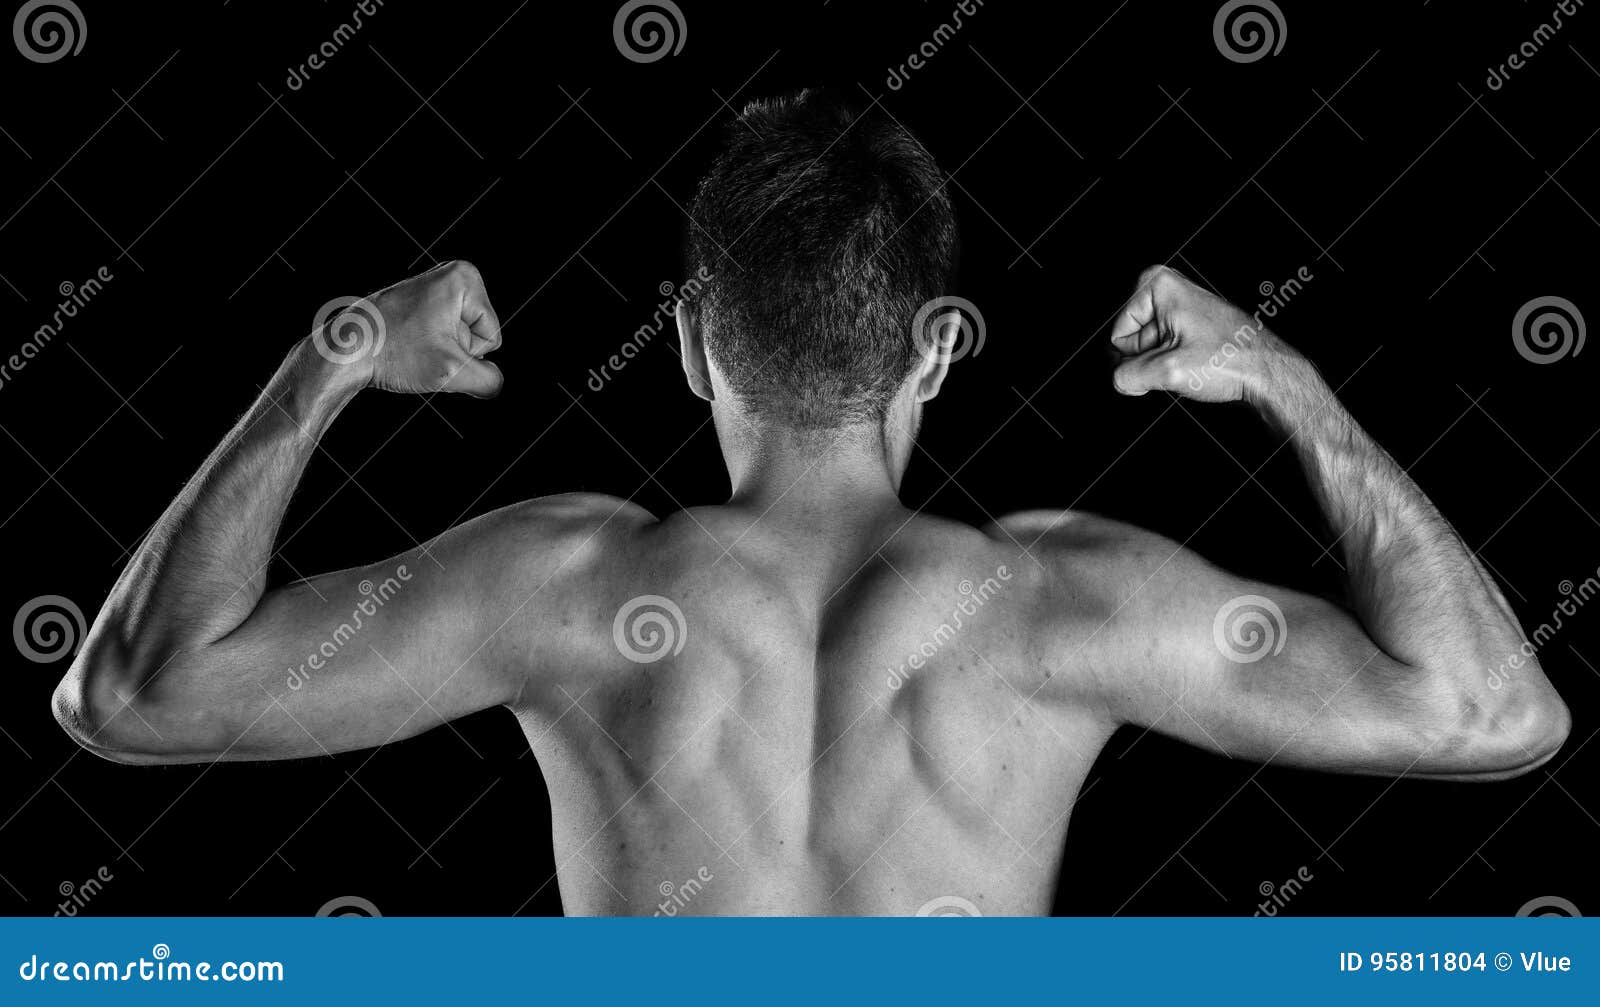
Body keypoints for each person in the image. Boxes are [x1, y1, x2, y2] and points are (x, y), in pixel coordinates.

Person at [52, 91, 1569, 916]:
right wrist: (1282, 377)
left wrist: (331, 361)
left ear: (695, 340)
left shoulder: (564, 585)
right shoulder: (1059, 608)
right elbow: (1494, 715)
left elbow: (133, 694)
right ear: (937, 346)